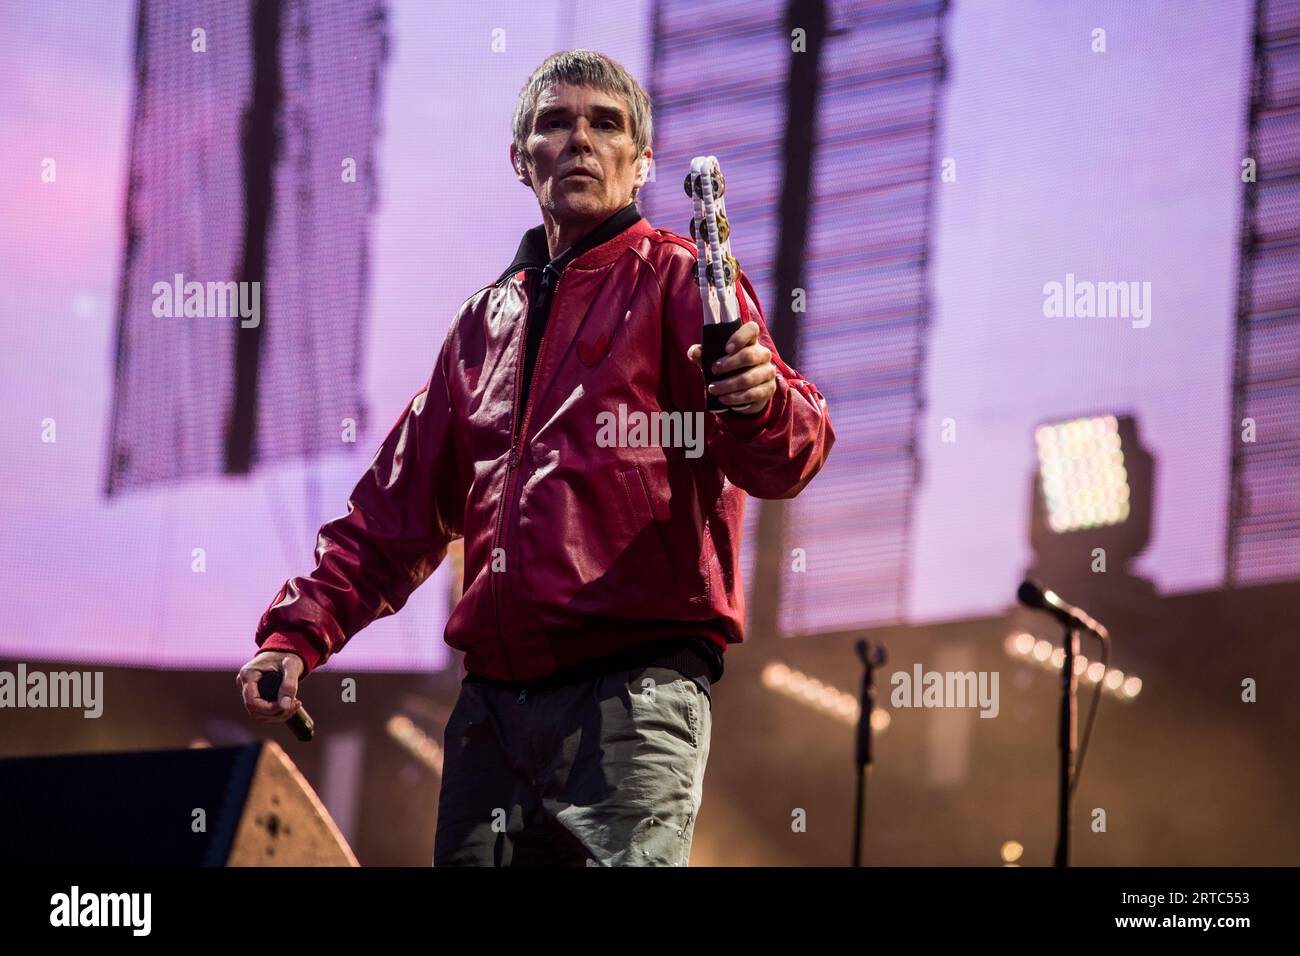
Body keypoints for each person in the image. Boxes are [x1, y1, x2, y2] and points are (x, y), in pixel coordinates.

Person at [236, 49, 834, 866]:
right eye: (556, 122)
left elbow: (785, 455)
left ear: (643, 161)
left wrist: (763, 402)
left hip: (633, 696)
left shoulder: (682, 280)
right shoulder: (481, 328)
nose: (581, 140)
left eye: (607, 124)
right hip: (490, 712)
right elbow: (393, 513)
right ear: (521, 158)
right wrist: (296, 634)